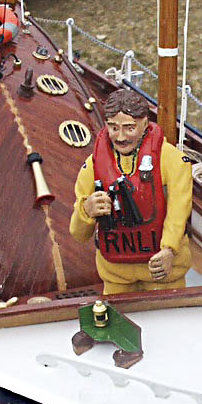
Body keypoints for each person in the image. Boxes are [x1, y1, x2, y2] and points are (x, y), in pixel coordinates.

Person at [69, 88, 193, 295]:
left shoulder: (172, 161)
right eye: (113, 128)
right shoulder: (92, 166)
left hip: (163, 274)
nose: (121, 136)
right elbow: (78, 234)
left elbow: (178, 212)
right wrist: (86, 211)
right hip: (116, 275)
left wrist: (169, 250)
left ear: (145, 123)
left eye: (129, 128)